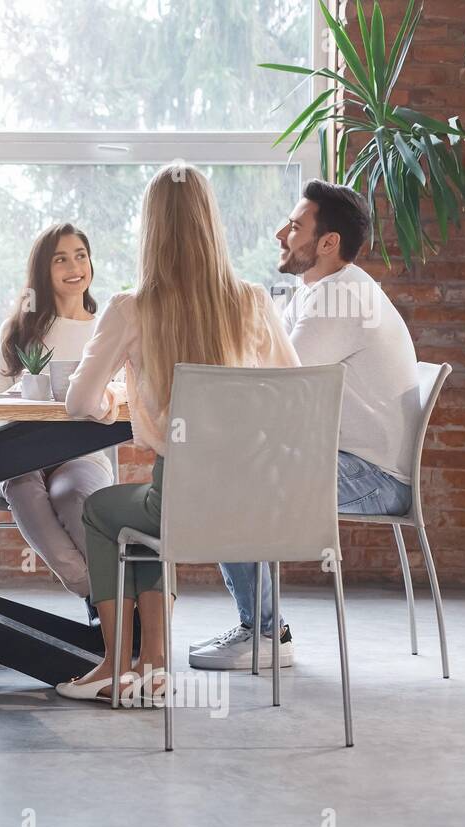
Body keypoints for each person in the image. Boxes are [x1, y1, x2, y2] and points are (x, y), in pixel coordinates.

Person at [56, 163, 299, 703]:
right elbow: (292, 392)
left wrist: (117, 400)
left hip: (178, 503)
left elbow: (79, 401)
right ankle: (155, 666)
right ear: (212, 224)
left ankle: (117, 667)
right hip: (253, 502)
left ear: (152, 231)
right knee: (139, 517)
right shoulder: (255, 301)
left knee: (105, 512)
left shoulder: (130, 307)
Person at [190, 180, 421, 671]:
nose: (281, 233)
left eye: (295, 226)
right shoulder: (319, 291)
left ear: (328, 242)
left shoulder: (342, 299)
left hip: (375, 477)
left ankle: (267, 634)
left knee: (230, 480)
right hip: (348, 461)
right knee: (229, 470)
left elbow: (278, 390)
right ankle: (264, 629)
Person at [0, 223, 115, 605]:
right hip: (17, 454)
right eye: (61, 258)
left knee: (73, 494)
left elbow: (120, 393)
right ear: (44, 269)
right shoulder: (19, 327)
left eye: (80, 255)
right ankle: (102, 595)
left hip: (80, 453)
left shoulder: (105, 329)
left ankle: (107, 600)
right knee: (24, 488)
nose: (74, 266)